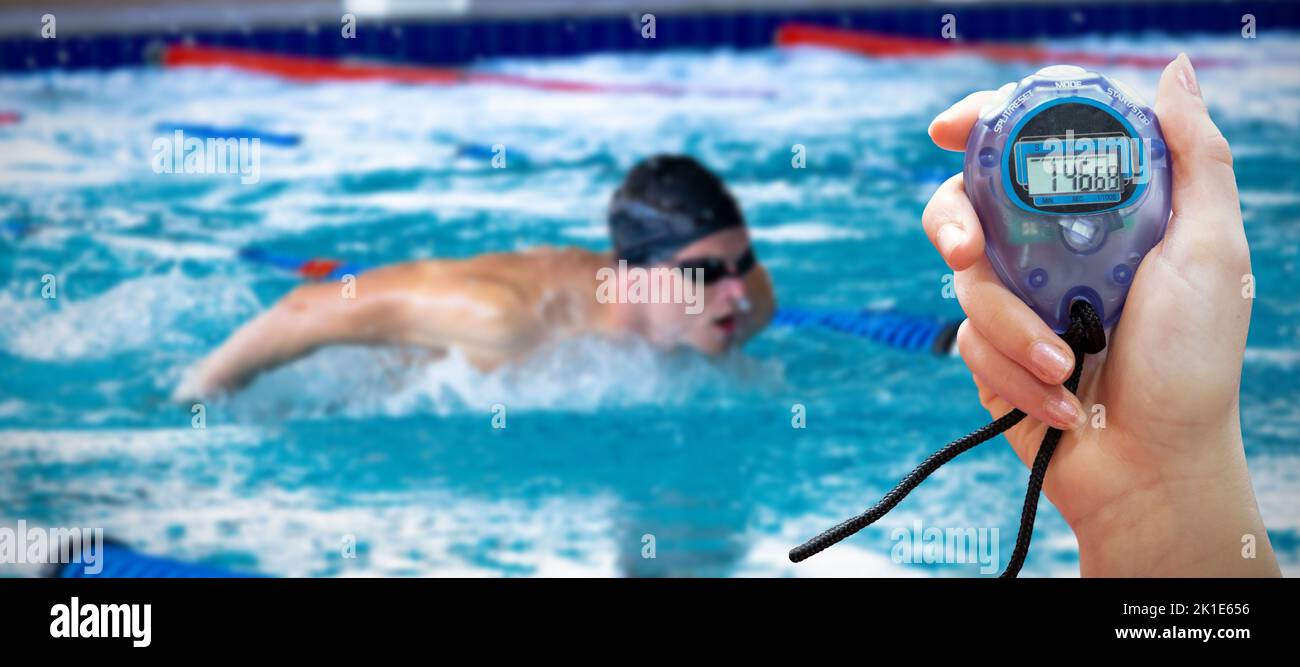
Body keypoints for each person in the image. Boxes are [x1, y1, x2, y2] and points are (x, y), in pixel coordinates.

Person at [923, 55, 1280, 576]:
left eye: (1091, 167)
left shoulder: (1015, 144)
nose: (1077, 181)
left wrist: (1168, 478)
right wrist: (1140, 508)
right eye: (1055, 168)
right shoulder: (1121, 140)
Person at [175, 155, 775, 398]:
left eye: (741, 262)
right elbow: (302, 311)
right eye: (703, 274)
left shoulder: (745, 301)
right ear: (638, 279)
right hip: (378, 373)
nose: (735, 290)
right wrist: (192, 401)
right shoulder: (507, 316)